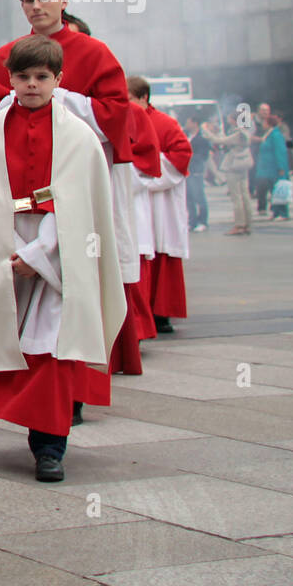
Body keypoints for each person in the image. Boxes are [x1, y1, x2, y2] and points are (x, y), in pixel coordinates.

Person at [0, 37, 125, 483]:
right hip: (4, 243)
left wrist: (38, 254)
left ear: (59, 80)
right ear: (10, 80)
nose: (32, 85)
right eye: (23, 77)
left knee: (53, 349)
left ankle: (49, 447)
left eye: (42, 77)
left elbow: (79, 209)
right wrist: (5, 251)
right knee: (15, 341)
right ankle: (39, 433)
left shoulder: (79, 137)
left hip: (58, 250)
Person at [0, 0, 133, 425]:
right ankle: (38, 407)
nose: (35, 5)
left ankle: (67, 399)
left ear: (64, 0)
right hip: (17, 201)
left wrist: (64, 104)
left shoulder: (94, 53)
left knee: (73, 301)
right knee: (19, 318)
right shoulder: (8, 56)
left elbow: (119, 115)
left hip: (74, 196)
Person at [129, 78, 190, 333]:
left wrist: (143, 173)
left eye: (129, 99)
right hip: (136, 198)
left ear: (144, 98)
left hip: (160, 202)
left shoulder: (165, 123)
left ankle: (161, 313)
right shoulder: (123, 121)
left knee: (161, 253)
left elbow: (181, 156)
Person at [109, 99, 161, 375]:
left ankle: (133, 333)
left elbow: (144, 162)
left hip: (121, 195)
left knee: (125, 268)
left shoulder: (131, 112)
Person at [202, 115, 253, 235]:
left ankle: (239, 225)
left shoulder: (237, 134)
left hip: (234, 164)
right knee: (245, 195)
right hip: (244, 164)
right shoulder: (246, 133)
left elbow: (220, 141)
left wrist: (206, 131)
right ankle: (247, 223)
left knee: (236, 197)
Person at [255, 112, 290, 221]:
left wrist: (281, 167)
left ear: (269, 123)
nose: (263, 124)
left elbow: (280, 152)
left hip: (275, 168)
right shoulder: (269, 134)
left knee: (279, 190)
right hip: (267, 168)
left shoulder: (276, 135)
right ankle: (275, 211)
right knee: (273, 191)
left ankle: (283, 213)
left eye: (265, 122)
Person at [182, 116, 210, 232]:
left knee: (199, 196)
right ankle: (192, 221)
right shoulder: (186, 136)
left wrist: (189, 157)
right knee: (189, 198)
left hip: (196, 170)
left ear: (194, 123)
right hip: (186, 170)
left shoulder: (202, 138)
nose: (186, 125)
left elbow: (203, 155)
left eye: (188, 122)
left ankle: (203, 221)